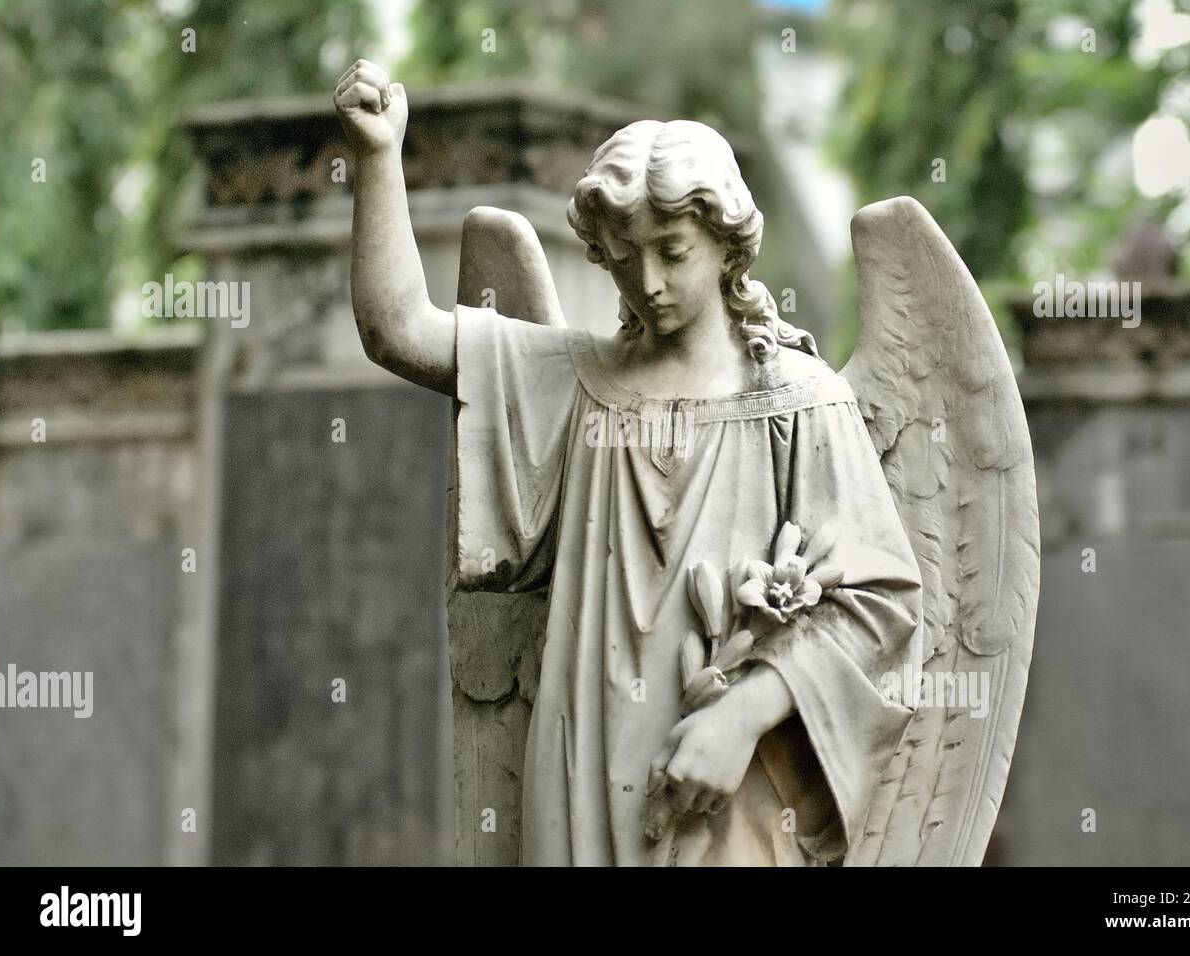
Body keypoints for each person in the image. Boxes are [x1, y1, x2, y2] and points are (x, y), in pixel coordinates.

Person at [335, 59, 923, 866]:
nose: (648, 282)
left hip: (727, 787)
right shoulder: (571, 381)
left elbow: (883, 601)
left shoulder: (799, 400)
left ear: (724, 243)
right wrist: (377, 160)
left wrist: (745, 712)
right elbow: (397, 327)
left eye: (672, 251)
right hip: (579, 764)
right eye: (623, 255)